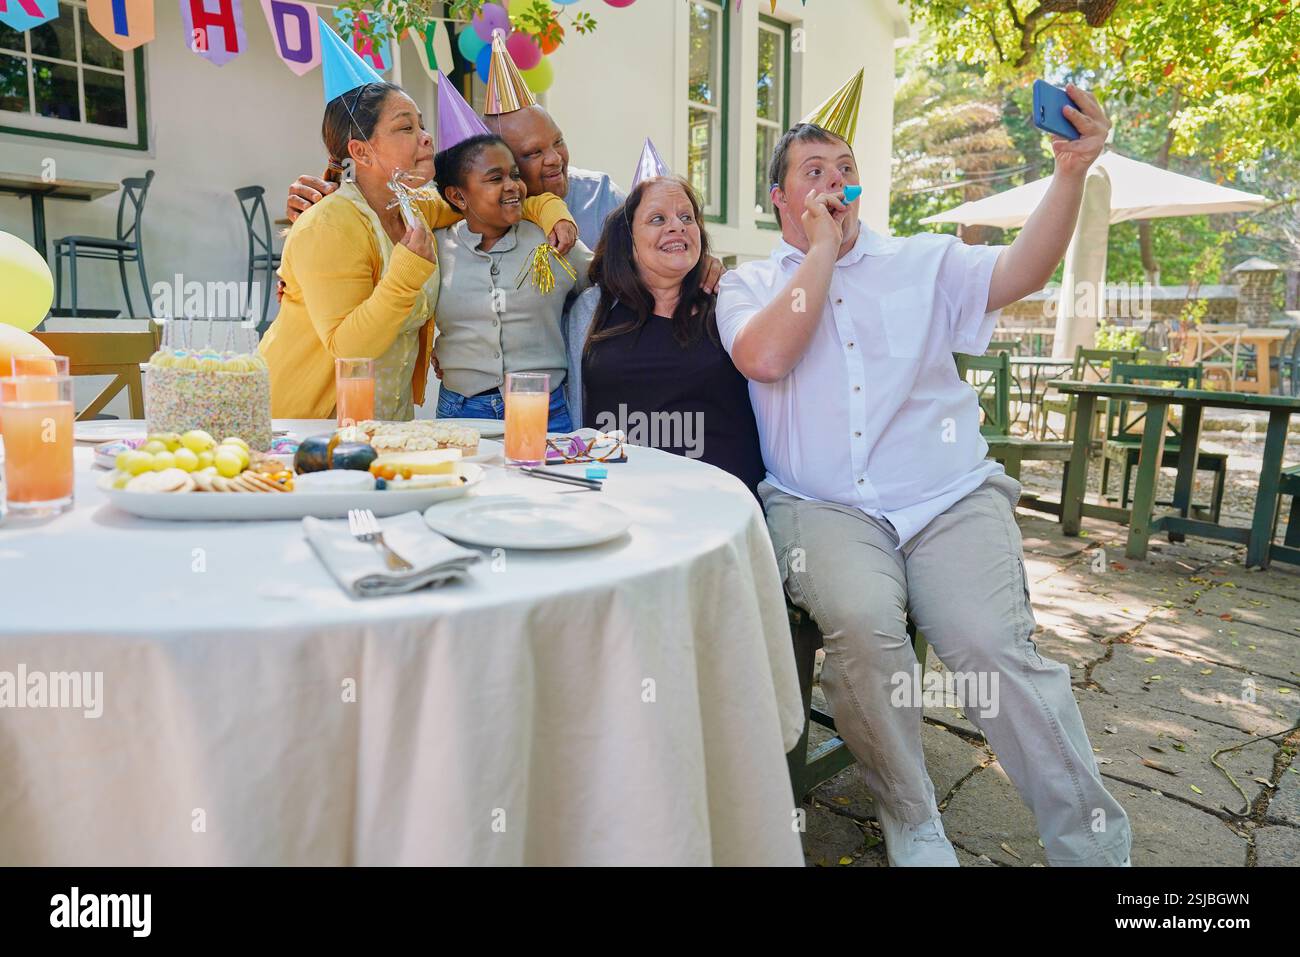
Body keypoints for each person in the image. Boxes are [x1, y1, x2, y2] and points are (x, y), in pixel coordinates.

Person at [716, 84, 1133, 867]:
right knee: (867, 633)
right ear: (780, 197)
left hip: (948, 497)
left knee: (989, 645)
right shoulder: (747, 282)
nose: (833, 180)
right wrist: (820, 254)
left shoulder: (919, 259)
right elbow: (766, 357)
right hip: (824, 506)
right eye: (813, 170)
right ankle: (912, 816)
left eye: (844, 166)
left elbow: (1021, 271)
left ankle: (1094, 846)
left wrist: (1070, 174)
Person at [259, 30, 575, 420]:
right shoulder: (327, 226)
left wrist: (551, 211)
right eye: (406, 128)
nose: (427, 139)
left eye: (422, 126)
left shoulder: (417, 206)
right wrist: (407, 272)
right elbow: (349, 347)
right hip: (309, 422)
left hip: (384, 422)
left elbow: (490, 198)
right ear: (361, 151)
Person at [284, 37, 724, 291]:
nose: (554, 160)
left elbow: (665, 241)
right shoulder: (460, 211)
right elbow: (380, 208)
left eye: (558, 142)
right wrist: (322, 202)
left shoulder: (599, 196)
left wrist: (704, 262)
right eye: (530, 156)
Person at [566, 172, 764, 498]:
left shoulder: (730, 301)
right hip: (622, 497)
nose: (677, 225)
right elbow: (577, 407)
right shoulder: (591, 310)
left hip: (719, 501)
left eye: (687, 217)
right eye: (658, 218)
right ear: (627, 239)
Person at [431, 126, 591, 430]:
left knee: (548, 480)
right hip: (461, 412)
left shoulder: (553, 239)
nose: (513, 186)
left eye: (515, 175)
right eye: (495, 178)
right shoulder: (435, 248)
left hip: (543, 411)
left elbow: (610, 284)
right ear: (457, 195)